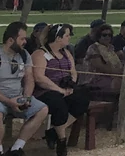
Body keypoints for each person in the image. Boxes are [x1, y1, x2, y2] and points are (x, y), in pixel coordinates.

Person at [0, 21, 50, 156]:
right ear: (10, 40)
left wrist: (25, 98)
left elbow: (29, 79)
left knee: (42, 109)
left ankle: (16, 149)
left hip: (16, 97)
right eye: (21, 39)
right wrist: (9, 102)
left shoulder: (24, 55)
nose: (25, 41)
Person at [33, 24, 90, 156]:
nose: (69, 38)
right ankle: (62, 140)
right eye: (67, 35)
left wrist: (71, 85)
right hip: (46, 90)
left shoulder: (66, 52)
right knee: (59, 105)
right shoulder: (40, 54)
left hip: (65, 88)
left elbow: (73, 71)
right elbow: (39, 77)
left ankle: (54, 132)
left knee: (82, 99)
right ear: (58, 38)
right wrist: (59, 90)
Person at [83, 23, 124, 99]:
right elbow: (100, 67)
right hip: (94, 78)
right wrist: (119, 73)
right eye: (104, 35)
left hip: (111, 75)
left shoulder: (111, 48)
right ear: (98, 36)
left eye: (109, 35)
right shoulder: (93, 48)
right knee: (119, 83)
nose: (107, 37)